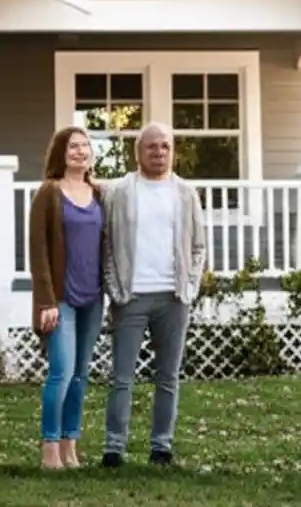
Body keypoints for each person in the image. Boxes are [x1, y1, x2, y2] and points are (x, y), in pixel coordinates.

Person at [99, 122, 206, 468]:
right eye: (151, 147)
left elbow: (198, 246)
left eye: (165, 146)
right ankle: (114, 447)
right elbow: (107, 245)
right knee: (122, 377)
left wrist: (189, 285)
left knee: (168, 377)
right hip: (130, 297)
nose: (159, 152)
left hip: (173, 298)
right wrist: (115, 289)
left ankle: (161, 446)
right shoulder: (119, 192)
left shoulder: (186, 193)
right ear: (138, 152)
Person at [28, 126, 106, 470]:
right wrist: (45, 301)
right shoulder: (49, 193)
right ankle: (49, 450)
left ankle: (69, 444)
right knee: (61, 372)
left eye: (85, 146)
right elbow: (38, 249)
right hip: (60, 298)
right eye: (73, 146)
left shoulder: (99, 193)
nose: (80, 152)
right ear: (61, 152)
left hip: (93, 297)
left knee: (80, 374)